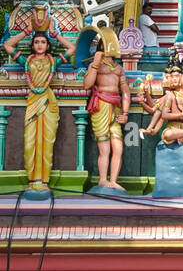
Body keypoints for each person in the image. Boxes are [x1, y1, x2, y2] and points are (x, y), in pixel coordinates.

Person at [3, 24, 76, 190]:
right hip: (33, 101)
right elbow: (7, 45)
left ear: (48, 45)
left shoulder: (53, 61)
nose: (40, 44)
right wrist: (27, 30)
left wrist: (55, 34)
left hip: (48, 102)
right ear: (33, 44)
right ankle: (32, 180)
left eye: (43, 41)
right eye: (36, 42)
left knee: (47, 142)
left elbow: (72, 47)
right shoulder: (27, 61)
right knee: (30, 142)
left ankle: (43, 181)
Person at [83, 32, 130, 191]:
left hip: (116, 108)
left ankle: (113, 180)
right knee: (105, 149)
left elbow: (125, 92)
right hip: (101, 106)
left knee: (118, 148)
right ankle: (103, 180)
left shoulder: (119, 69)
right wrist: (95, 64)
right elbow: (87, 85)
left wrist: (125, 113)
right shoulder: (95, 65)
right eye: (104, 43)